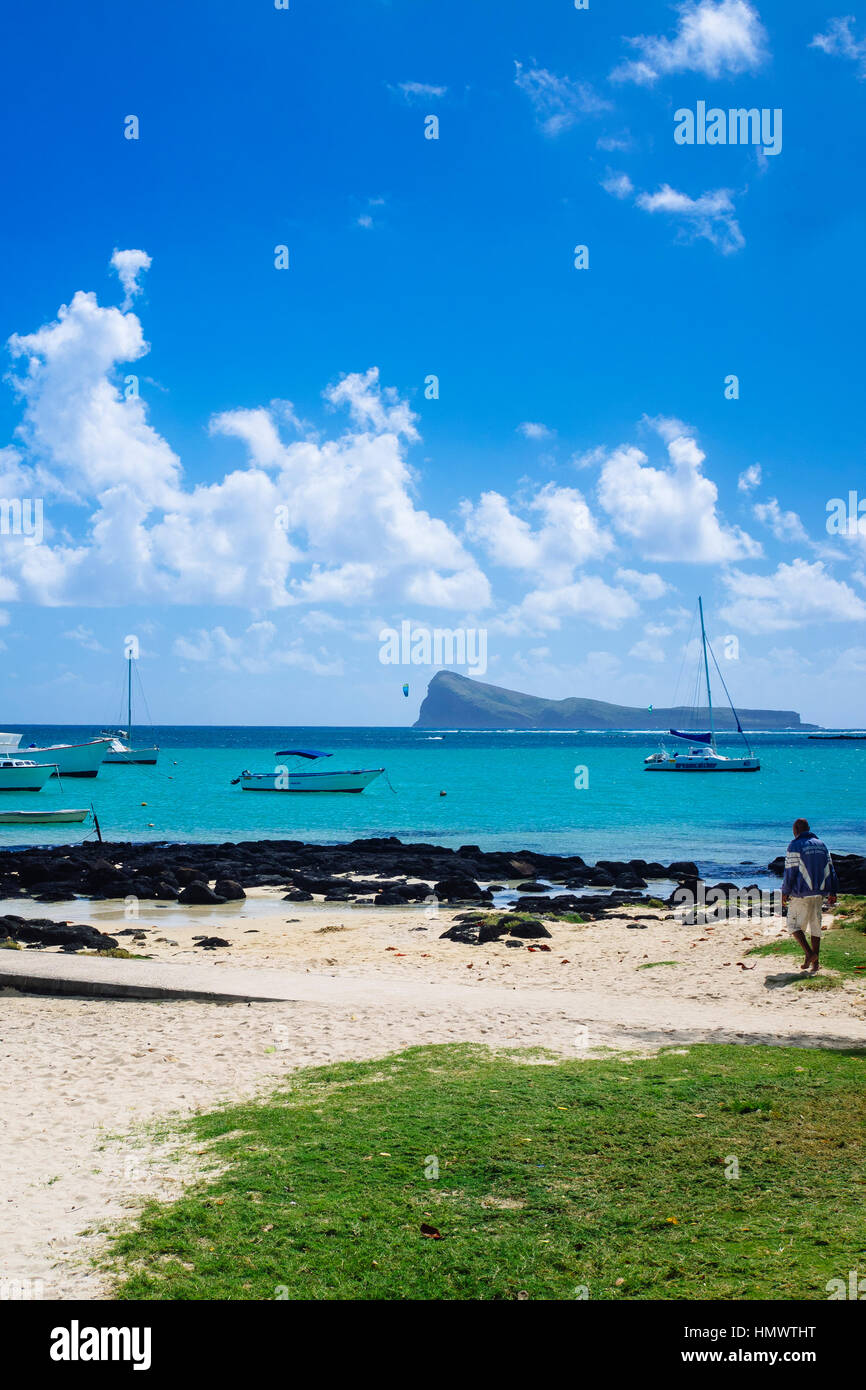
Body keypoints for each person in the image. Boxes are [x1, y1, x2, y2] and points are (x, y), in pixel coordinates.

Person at [780, 818, 838, 974]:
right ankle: (815, 964)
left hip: (801, 892)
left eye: (793, 829)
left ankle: (809, 954)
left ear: (796, 829)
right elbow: (831, 869)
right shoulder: (822, 845)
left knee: (793, 926)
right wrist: (833, 891)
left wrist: (785, 891)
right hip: (820, 892)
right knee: (815, 927)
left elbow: (790, 871)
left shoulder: (795, 845)